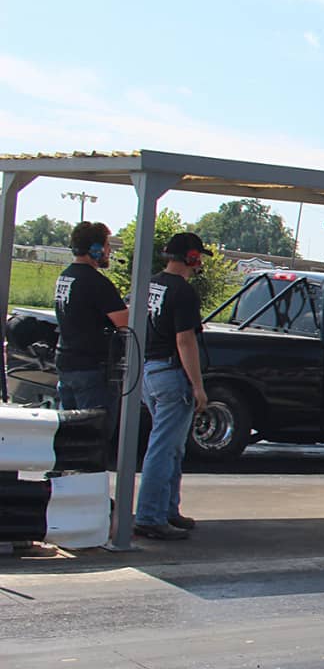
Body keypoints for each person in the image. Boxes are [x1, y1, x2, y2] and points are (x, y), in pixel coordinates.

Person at [134, 232, 212, 541]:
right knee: (164, 449)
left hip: (150, 370)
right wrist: (198, 385)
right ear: (191, 257)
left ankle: (167, 509)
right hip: (170, 373)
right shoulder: (183, 292)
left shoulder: (152, 284)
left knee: (173, 448)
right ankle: (150, 516)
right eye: (198, 257)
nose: (200, 262)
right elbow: (185, 340)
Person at [53, 221, 129, 415]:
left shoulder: (65, 276)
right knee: (95, 428)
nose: (109, 251)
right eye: (107, 246)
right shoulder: (96, 282)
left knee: (69, 428)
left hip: (67, 363)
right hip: (90, 369)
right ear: (96, 250)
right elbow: (126, 323)